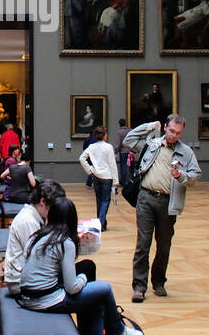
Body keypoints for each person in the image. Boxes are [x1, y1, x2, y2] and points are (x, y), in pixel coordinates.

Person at [16, 197, 143, 335]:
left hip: (28, 298)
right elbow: (72, 288)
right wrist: (83, 277)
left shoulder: (38, 236)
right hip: (48, 301)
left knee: (94, 299)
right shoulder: (64, 242)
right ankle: (115, 332)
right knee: (104, 289)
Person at [124, 114, 202, 302]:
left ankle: (158, 282)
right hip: (146, 197)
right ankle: (139, 286)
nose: (174, 135)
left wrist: (181, 176)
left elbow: (195, 175)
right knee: (143, 243)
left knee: (164, 245)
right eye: (171, 131)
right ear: (165, 127)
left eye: (178, 133)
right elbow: (129, 140)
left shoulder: (185, 152)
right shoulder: (152, 144)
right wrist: (150, 126)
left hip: (168, 202)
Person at [79, 126, 118, 230]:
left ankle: (102, 223)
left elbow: (81, 158)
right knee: (105, 200)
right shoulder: (108, 147)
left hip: (96, 176)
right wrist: (116, 180)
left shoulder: (91, 146)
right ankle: (100, 223)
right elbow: (112, 164)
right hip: (107, 177)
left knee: (99, 200)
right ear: (104, 135)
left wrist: (90, 170)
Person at [111, 118, 130, 189]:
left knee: (123, 167)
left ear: (119, 124)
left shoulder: (119, 132)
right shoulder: (129, 131)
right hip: (130, 151)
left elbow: (118, 144)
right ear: (125, 123)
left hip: (123, 151)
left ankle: (123, 182)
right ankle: (129, 181)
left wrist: (115, 152)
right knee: (130, 167)